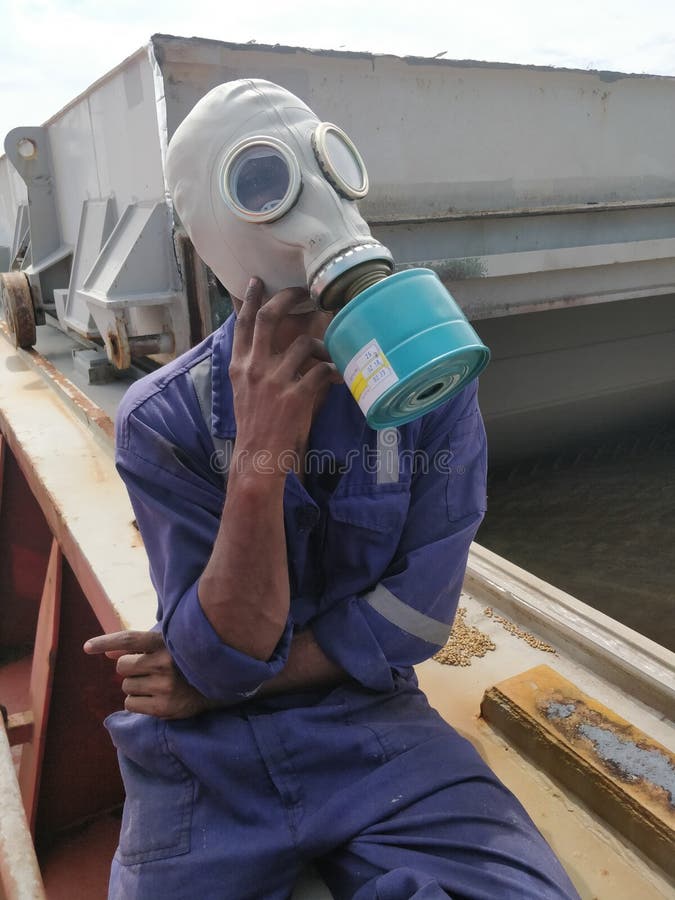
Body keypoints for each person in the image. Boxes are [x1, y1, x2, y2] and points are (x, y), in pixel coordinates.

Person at [84, 78, 579, 899]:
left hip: (376, 731)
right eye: (263, 185)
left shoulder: (434, 386)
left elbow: (416, 618)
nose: (316, 211)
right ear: (214, 233)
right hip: (206, 764)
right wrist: (259, 456)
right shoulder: (162, 422)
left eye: (328, 170)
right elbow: (222, 653)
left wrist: (212, 684)